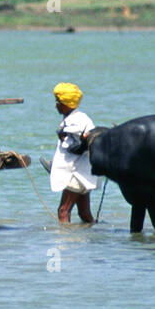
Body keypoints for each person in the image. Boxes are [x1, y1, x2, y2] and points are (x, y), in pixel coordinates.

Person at [50, 82, 95, 224]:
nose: (56, 105)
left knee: (63, 211)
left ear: (65, 103)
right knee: (84, 214)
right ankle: (93, 241)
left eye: (58, 102)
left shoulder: (76, 121)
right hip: (84, 172)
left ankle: (64, 243)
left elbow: (82, 138)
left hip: (76, 174)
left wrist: (62, 133)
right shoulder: (77, 117)